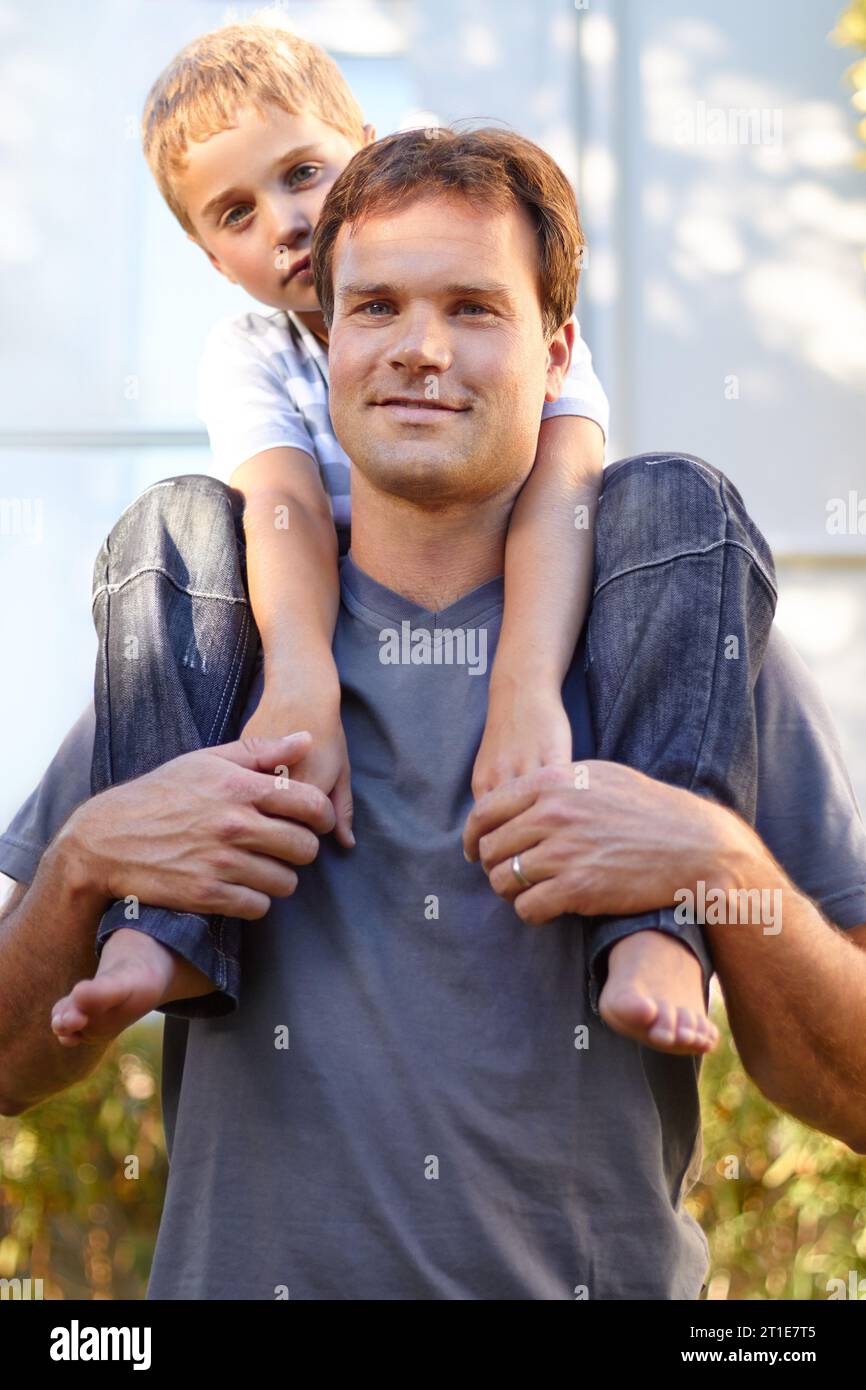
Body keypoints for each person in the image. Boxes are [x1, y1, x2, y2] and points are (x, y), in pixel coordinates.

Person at [1, 130, 866, 1301]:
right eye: (376, 309)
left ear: (556, 355)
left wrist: (709, 856)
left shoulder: (686, 636)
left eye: (471, 308)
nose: (419, 350)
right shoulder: (205, 650)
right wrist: (83, 863)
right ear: (325, 336)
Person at [48, 18, 771, 1053]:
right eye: (238, 212)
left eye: (304, 173)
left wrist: (524, 687)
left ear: (367, 151)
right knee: (175, 520)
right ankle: (162, 921)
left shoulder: (502, 294)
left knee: (670, 496)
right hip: (324, 588)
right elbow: (282, 506)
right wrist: (302, 679)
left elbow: (564, 489)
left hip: (527, 565)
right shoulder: (249, 351)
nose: (289, 222)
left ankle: (658, 927)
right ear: (211, 257)